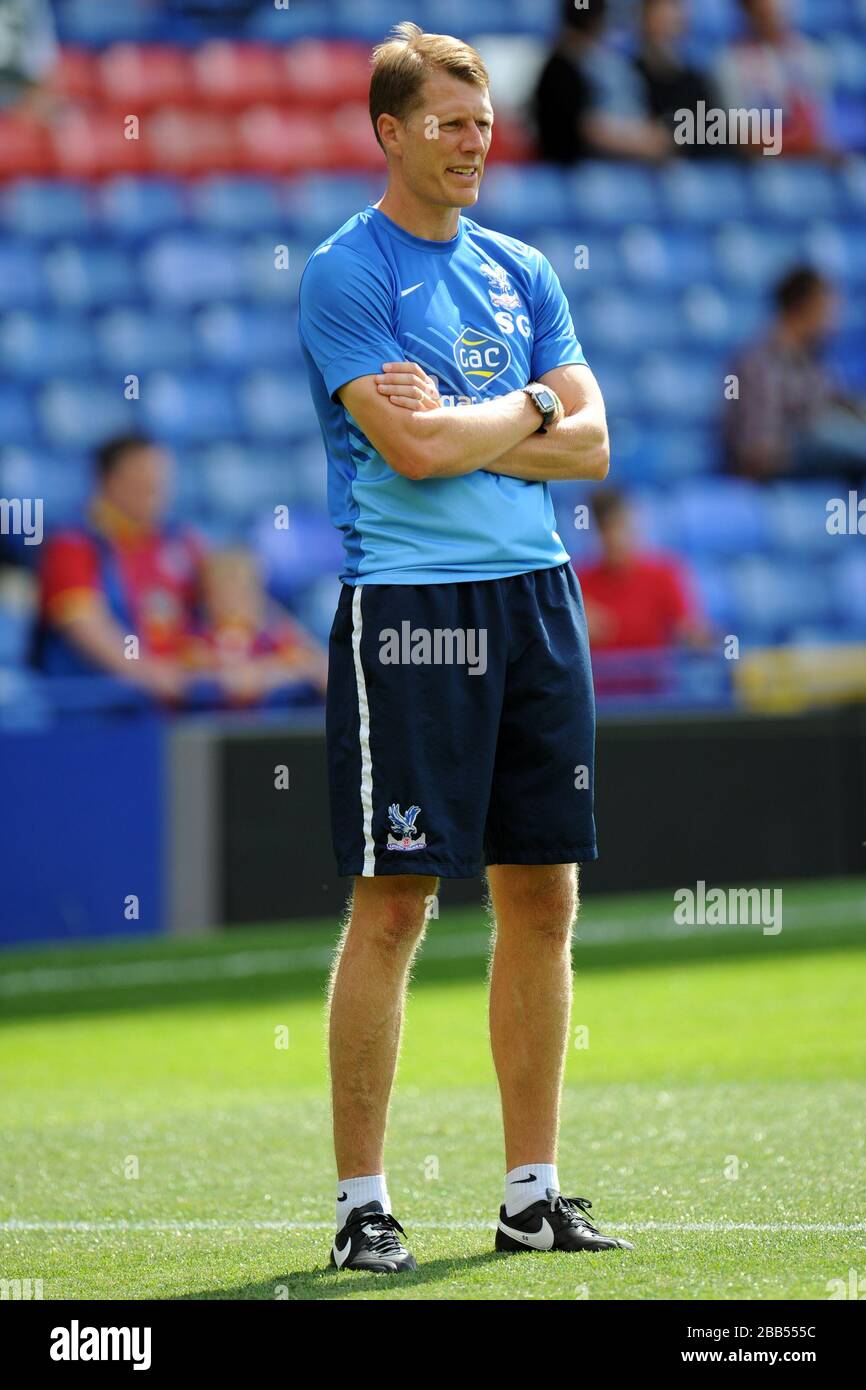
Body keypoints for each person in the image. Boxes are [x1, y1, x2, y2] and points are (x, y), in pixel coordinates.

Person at [298, 21, 631, 1274]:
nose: (472, 142)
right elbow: (416, 455)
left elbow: (592, 447)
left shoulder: (521, 268)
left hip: (537, 596)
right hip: (413, 612)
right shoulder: (347, 273)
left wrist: (515, 411)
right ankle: (359, 1203)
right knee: (395, 901)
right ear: (387, 131)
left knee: (542, 893)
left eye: (481, 123)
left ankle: (529, 1194)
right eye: (447, 123)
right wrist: (534, 408)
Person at [34, 434, 204, 702]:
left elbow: (238, 598)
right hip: (99, 712)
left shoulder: (181, 542)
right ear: (109, 481)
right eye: (142, 480)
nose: (155, 488)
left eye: (159, 481)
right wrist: (149, 675)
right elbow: (86, 625)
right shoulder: (74, 545)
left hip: (177, 704)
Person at [725, 266, 866, 481]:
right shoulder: (757, 363)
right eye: (827, 310)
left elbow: (837, 401)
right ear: (805, 308)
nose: (834, 322)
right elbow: (756, 449)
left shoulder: (812, 362)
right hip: (774, 462)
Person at [577, 489, 710, 695]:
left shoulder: (663, 574)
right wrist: (576, 631)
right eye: (606, 529)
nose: (615, 538)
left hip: (654, 698)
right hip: (600, 701)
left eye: (620, 526)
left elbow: (690, 632)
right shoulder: (578, 581)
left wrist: (697, 639)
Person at [184, 548, 328, 707]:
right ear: (207, 597)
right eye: (225, 593)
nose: (234, 603)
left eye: (243, 592)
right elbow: (177, 676)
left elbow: (319, 670)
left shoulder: (275, 636)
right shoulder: (197, 640)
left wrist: (264, 673)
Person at [533, 0, 672, 164]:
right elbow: (581, 129)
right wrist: (640, 143)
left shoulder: (603, 65)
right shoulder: (560, 70)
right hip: (572, 169)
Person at [714, 0, 834, 158]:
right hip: (760, 166)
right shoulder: (729, 62)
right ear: (747, 10)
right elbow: (744, 138)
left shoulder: (812, 57)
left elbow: (816, 131)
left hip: (806, 163)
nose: (773, 9)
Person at [633, 0, 719, 153]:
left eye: (672, 23)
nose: (666, 30)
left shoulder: (695, 83)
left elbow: (712, 137)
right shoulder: (629, 74)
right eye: (659, 21)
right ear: (644, 22)